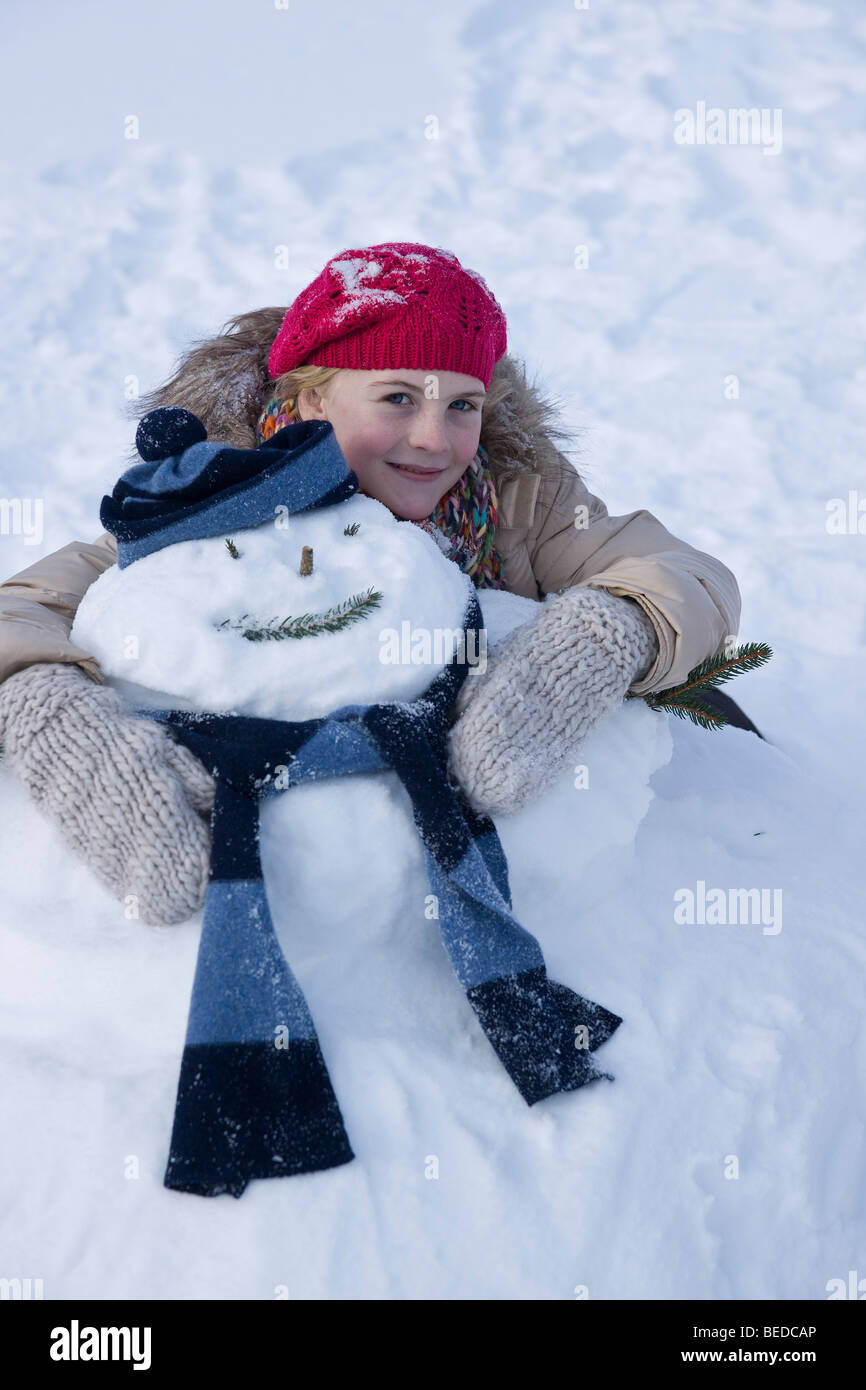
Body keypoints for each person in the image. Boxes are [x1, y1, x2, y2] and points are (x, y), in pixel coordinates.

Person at [0, 241, 742, 925]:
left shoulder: (518, 496)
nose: (434, 439)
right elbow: (26, 609)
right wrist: (47, 709)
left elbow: (686, 576)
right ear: (313, 400)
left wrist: (603, 635)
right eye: (397, 399)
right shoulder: (202, 503)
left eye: (463, 406)